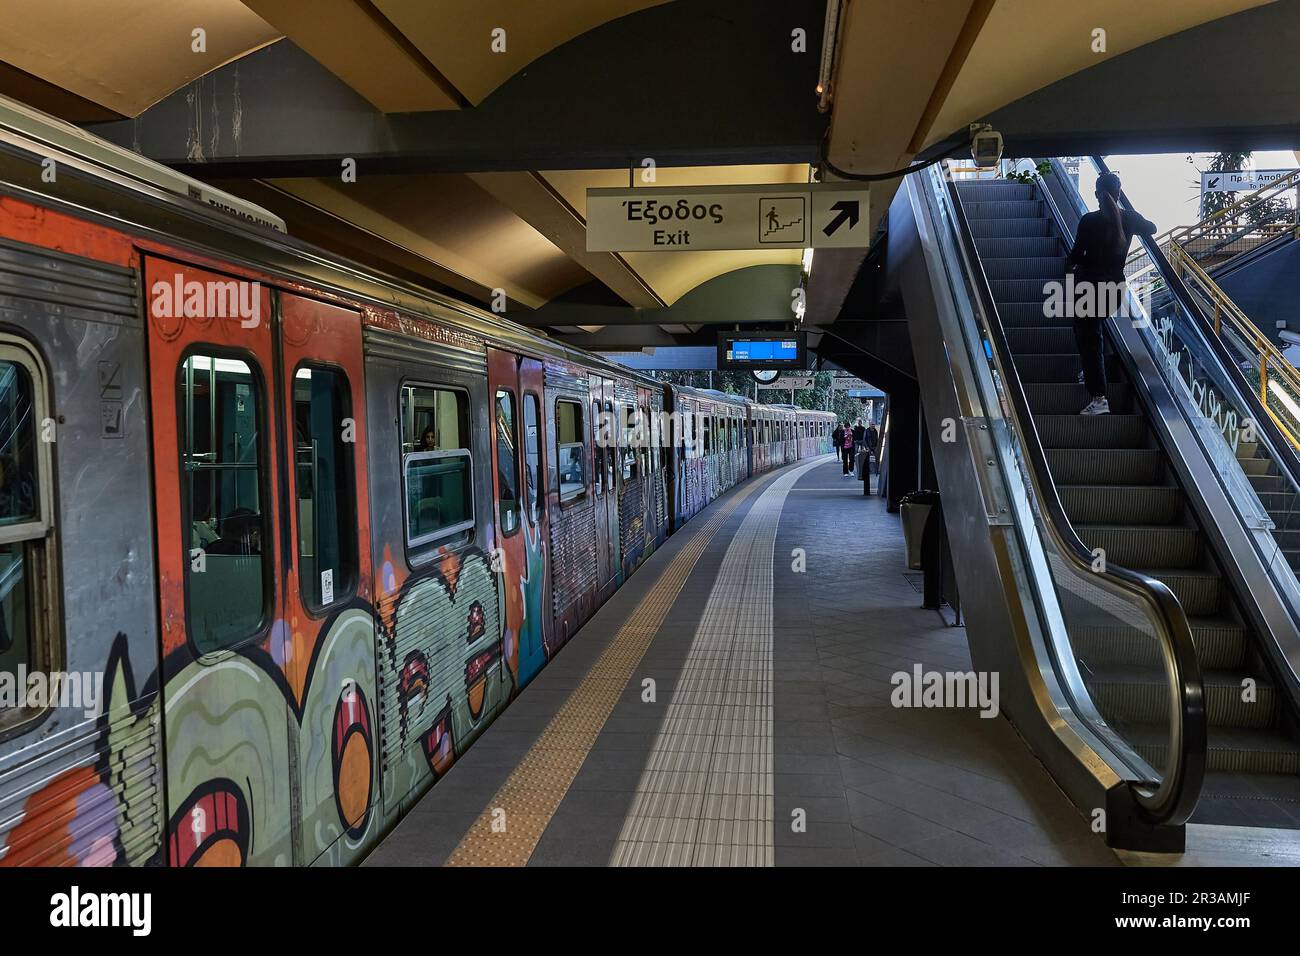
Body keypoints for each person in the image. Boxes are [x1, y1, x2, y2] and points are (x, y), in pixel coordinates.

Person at [1067, 171, 1157, 416]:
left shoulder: (1089, 221)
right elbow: (1152, 228)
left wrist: (1078, 264)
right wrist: (1129, 217)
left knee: (1090, 337)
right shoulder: (1129, 220)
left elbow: (1075, 256)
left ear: (1096, 194)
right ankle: (1091, 372)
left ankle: (1099, 398)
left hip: (1087, 287)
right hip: (1114, 288)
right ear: (1119, 193)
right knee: (1089, 332)